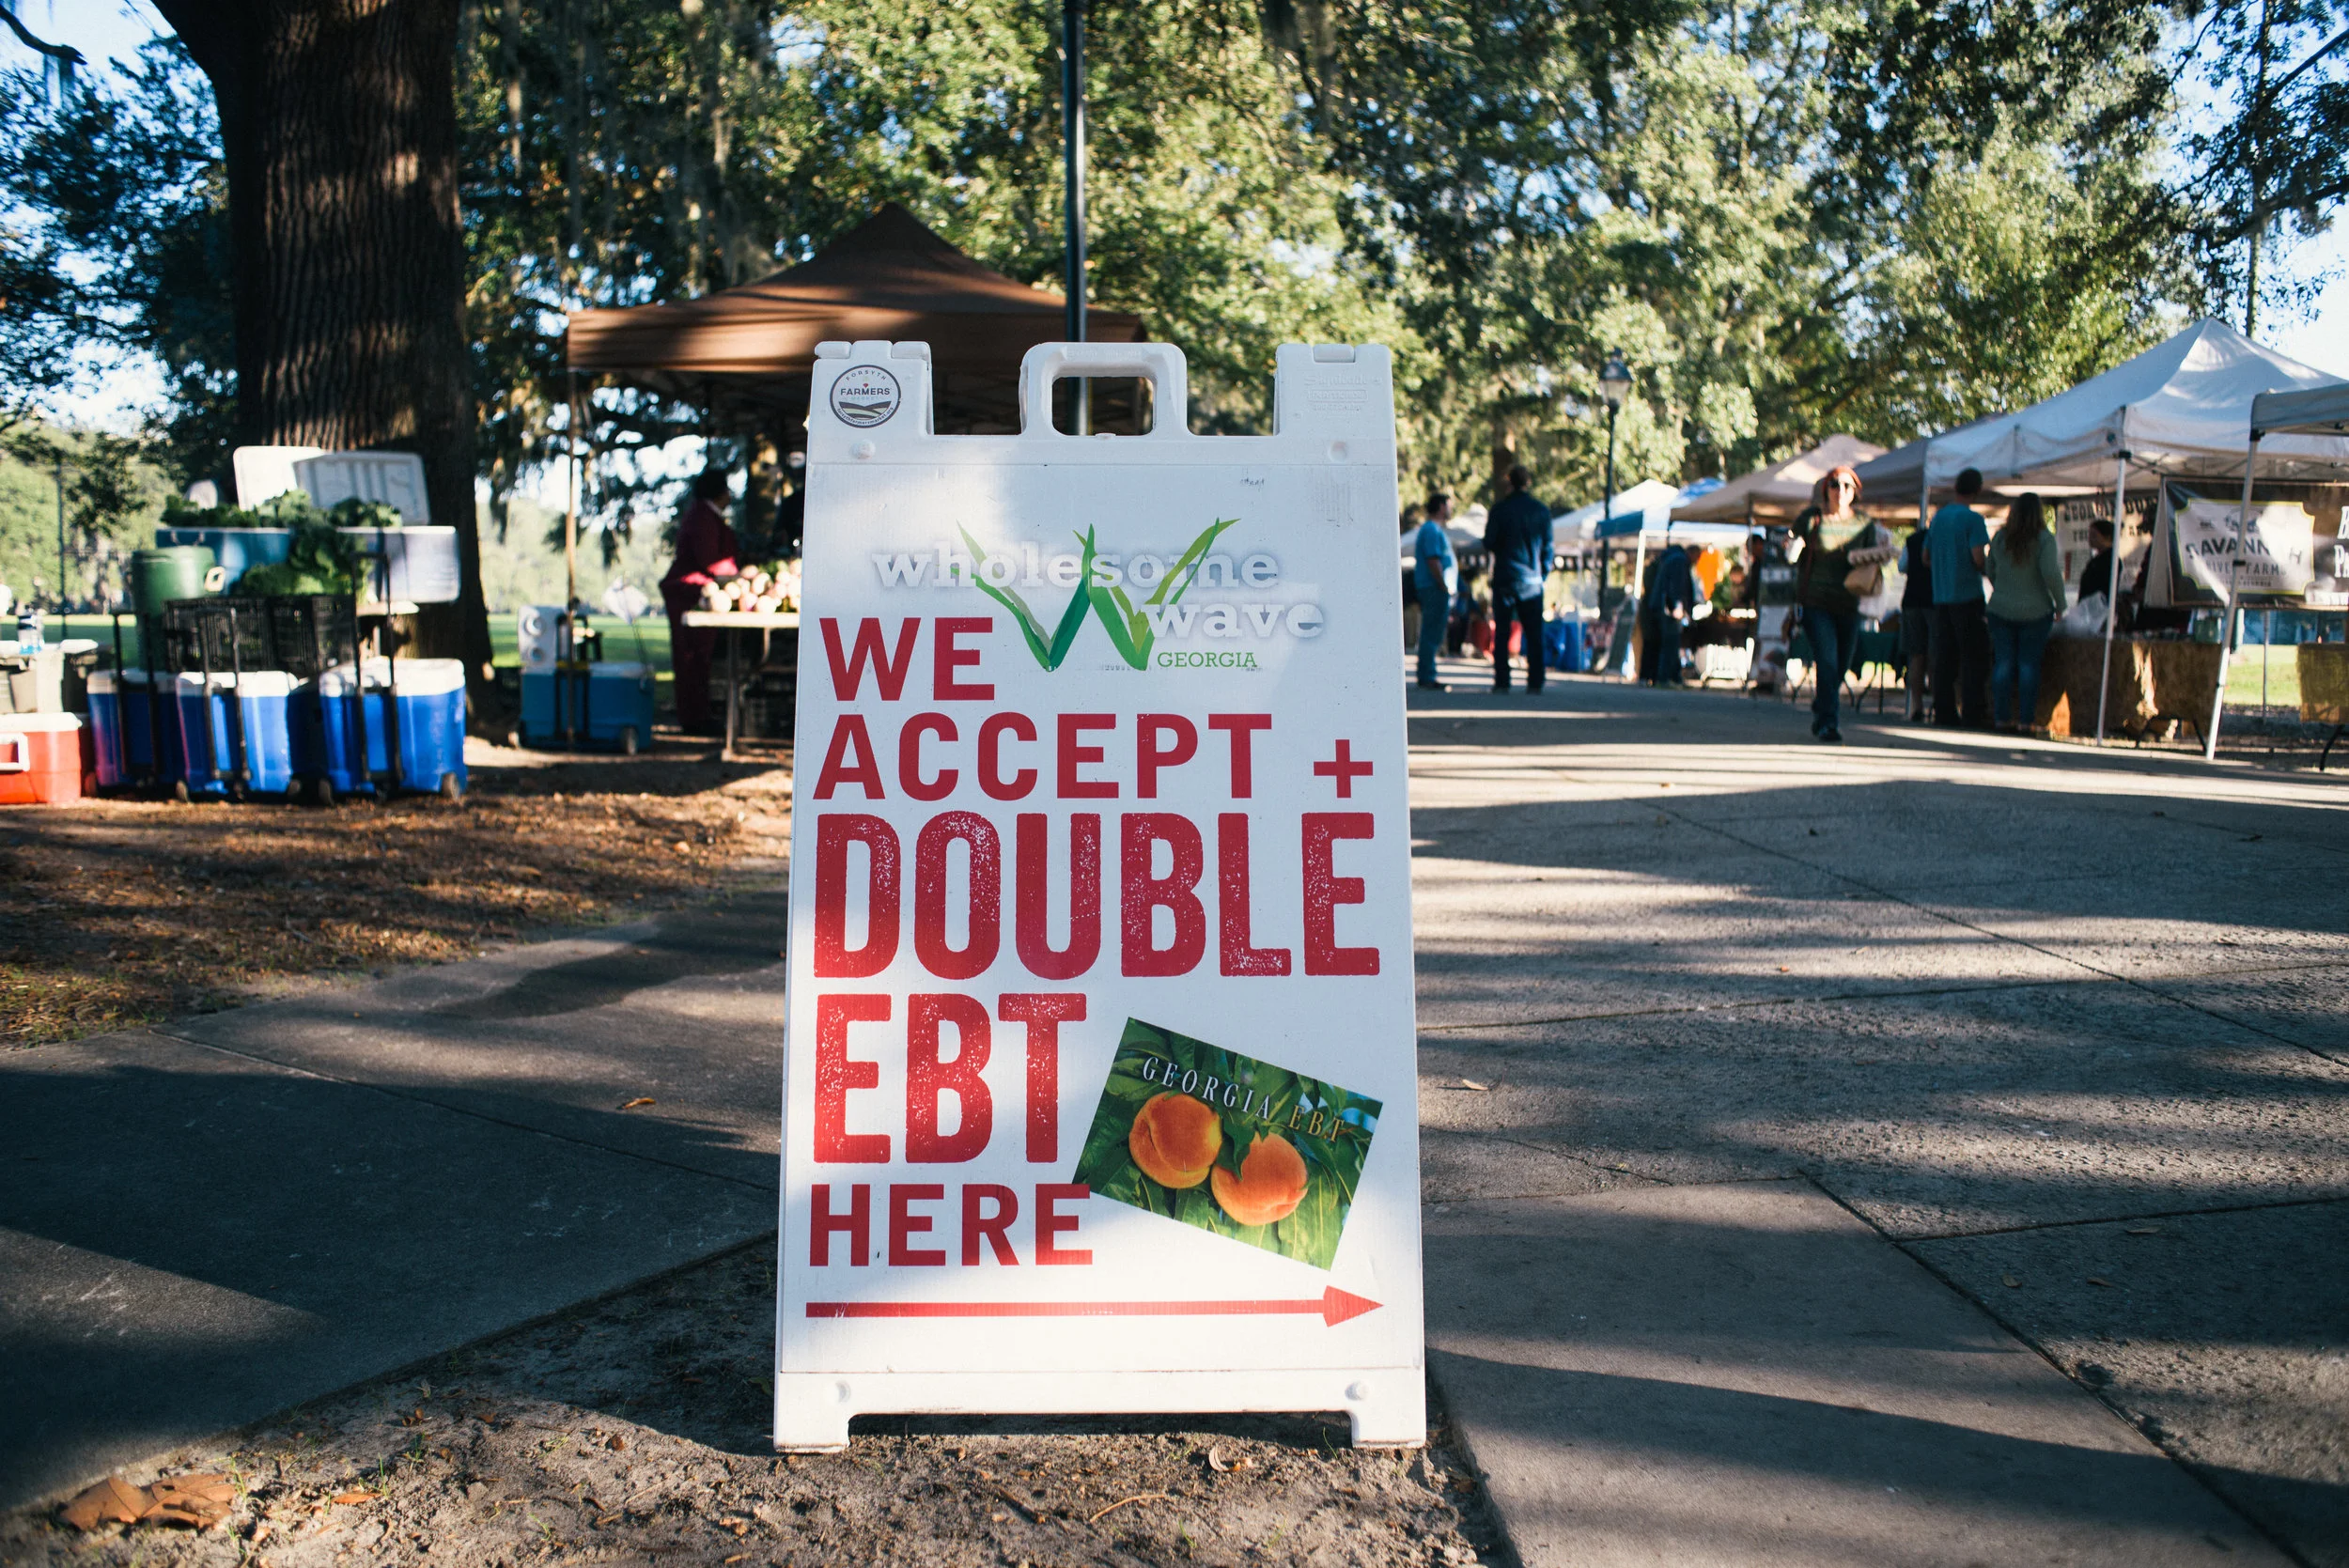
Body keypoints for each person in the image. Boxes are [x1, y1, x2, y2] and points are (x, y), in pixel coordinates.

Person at [1793, 465, 1897, 744]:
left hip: (1849, 601)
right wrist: (1790, 546)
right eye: (1836, 485)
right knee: (1826, 660)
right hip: (1816, 601)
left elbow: (1874, 556)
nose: (1841, 491)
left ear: (1855, 492)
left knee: (1841, 664)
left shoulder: (1863, 523)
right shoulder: (1813, 518)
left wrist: (1884, 551)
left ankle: (1821, 706)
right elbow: (1791, 542)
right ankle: (1829, 723)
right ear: (1826, 488)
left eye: (1848, 486)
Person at [661, 470, 741, 735]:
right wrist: (738, 574)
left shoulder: (704, 515)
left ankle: (698, 714)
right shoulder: (702, 518)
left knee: (698, 657)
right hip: (689, 593)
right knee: (691, 657)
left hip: (695, 592)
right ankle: (694, 718)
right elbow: (710, 560)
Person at [1983, 491, 2067, 734]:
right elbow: (2051, 573)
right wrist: (2060, 605)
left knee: (2003, 663)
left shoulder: (2000, 538)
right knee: (2028, 665)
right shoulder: (2044, 540)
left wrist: (2003, 588)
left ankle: (2001, 718)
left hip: (2000, 609)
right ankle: (2026, 721)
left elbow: (1990, 569)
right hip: (2036, 610)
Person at [1927, 467, 1994, 729]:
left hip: (1941, 596)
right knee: (1973, 658)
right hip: (1967, 597)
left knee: (1944, 658)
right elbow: (1978, 558)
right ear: (1977, 491)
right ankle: (1972, 712)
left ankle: (1943, 711)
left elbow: (1926, 557)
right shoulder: (1973, 520)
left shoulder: (1939, 518)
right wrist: (1991, 572)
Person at [1483, 464, 1552, 693]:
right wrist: (1542, 574)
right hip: (1531, 581)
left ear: (1509, 483)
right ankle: (1535, 681)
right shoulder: (1541, 511)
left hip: (1506, 577)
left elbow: (1489, 542)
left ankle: (1502, 680)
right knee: (1534, 633)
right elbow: (1548, 547)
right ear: (1528, 482)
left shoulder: (1500, 510)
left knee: (1502, 631)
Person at [1412, 492, 1458, 690]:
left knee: (1433, 631)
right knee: (1431, 631)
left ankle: (1427, 674)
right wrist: (1443, 585)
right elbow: (1433, 560)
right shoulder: (1431, 530)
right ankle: (1427, 676)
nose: (1450, 509)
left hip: (1434, 587)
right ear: (1441, 507)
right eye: (1448, 505)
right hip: (1434, 587)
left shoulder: (1433, 530)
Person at [1898, 516, 1936, 722]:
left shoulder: (1913, 540)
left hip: (1912, 599)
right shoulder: (1940, 540)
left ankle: (1917, 705)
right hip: (1934, 600)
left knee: (1916, 655)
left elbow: (1902, 566)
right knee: (1933, 654)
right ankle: (1933, 705)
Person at [1643, 538, 1696, 685]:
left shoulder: (1669, 558)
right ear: (1692, 553)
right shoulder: (1679, 561)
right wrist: (1678, 606)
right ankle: (1665, 678)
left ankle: (1673, 676)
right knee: (1671, 643)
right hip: (1668, 608)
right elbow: (1676, 586)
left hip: (1660, 606)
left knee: (1669, 643)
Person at [2078, 516, 2114, 603]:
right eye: (2089, 535)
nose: (2090, 539)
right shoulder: (2096, 560)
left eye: (2094, 535)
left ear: (2107, 537)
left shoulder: (2111, 561)